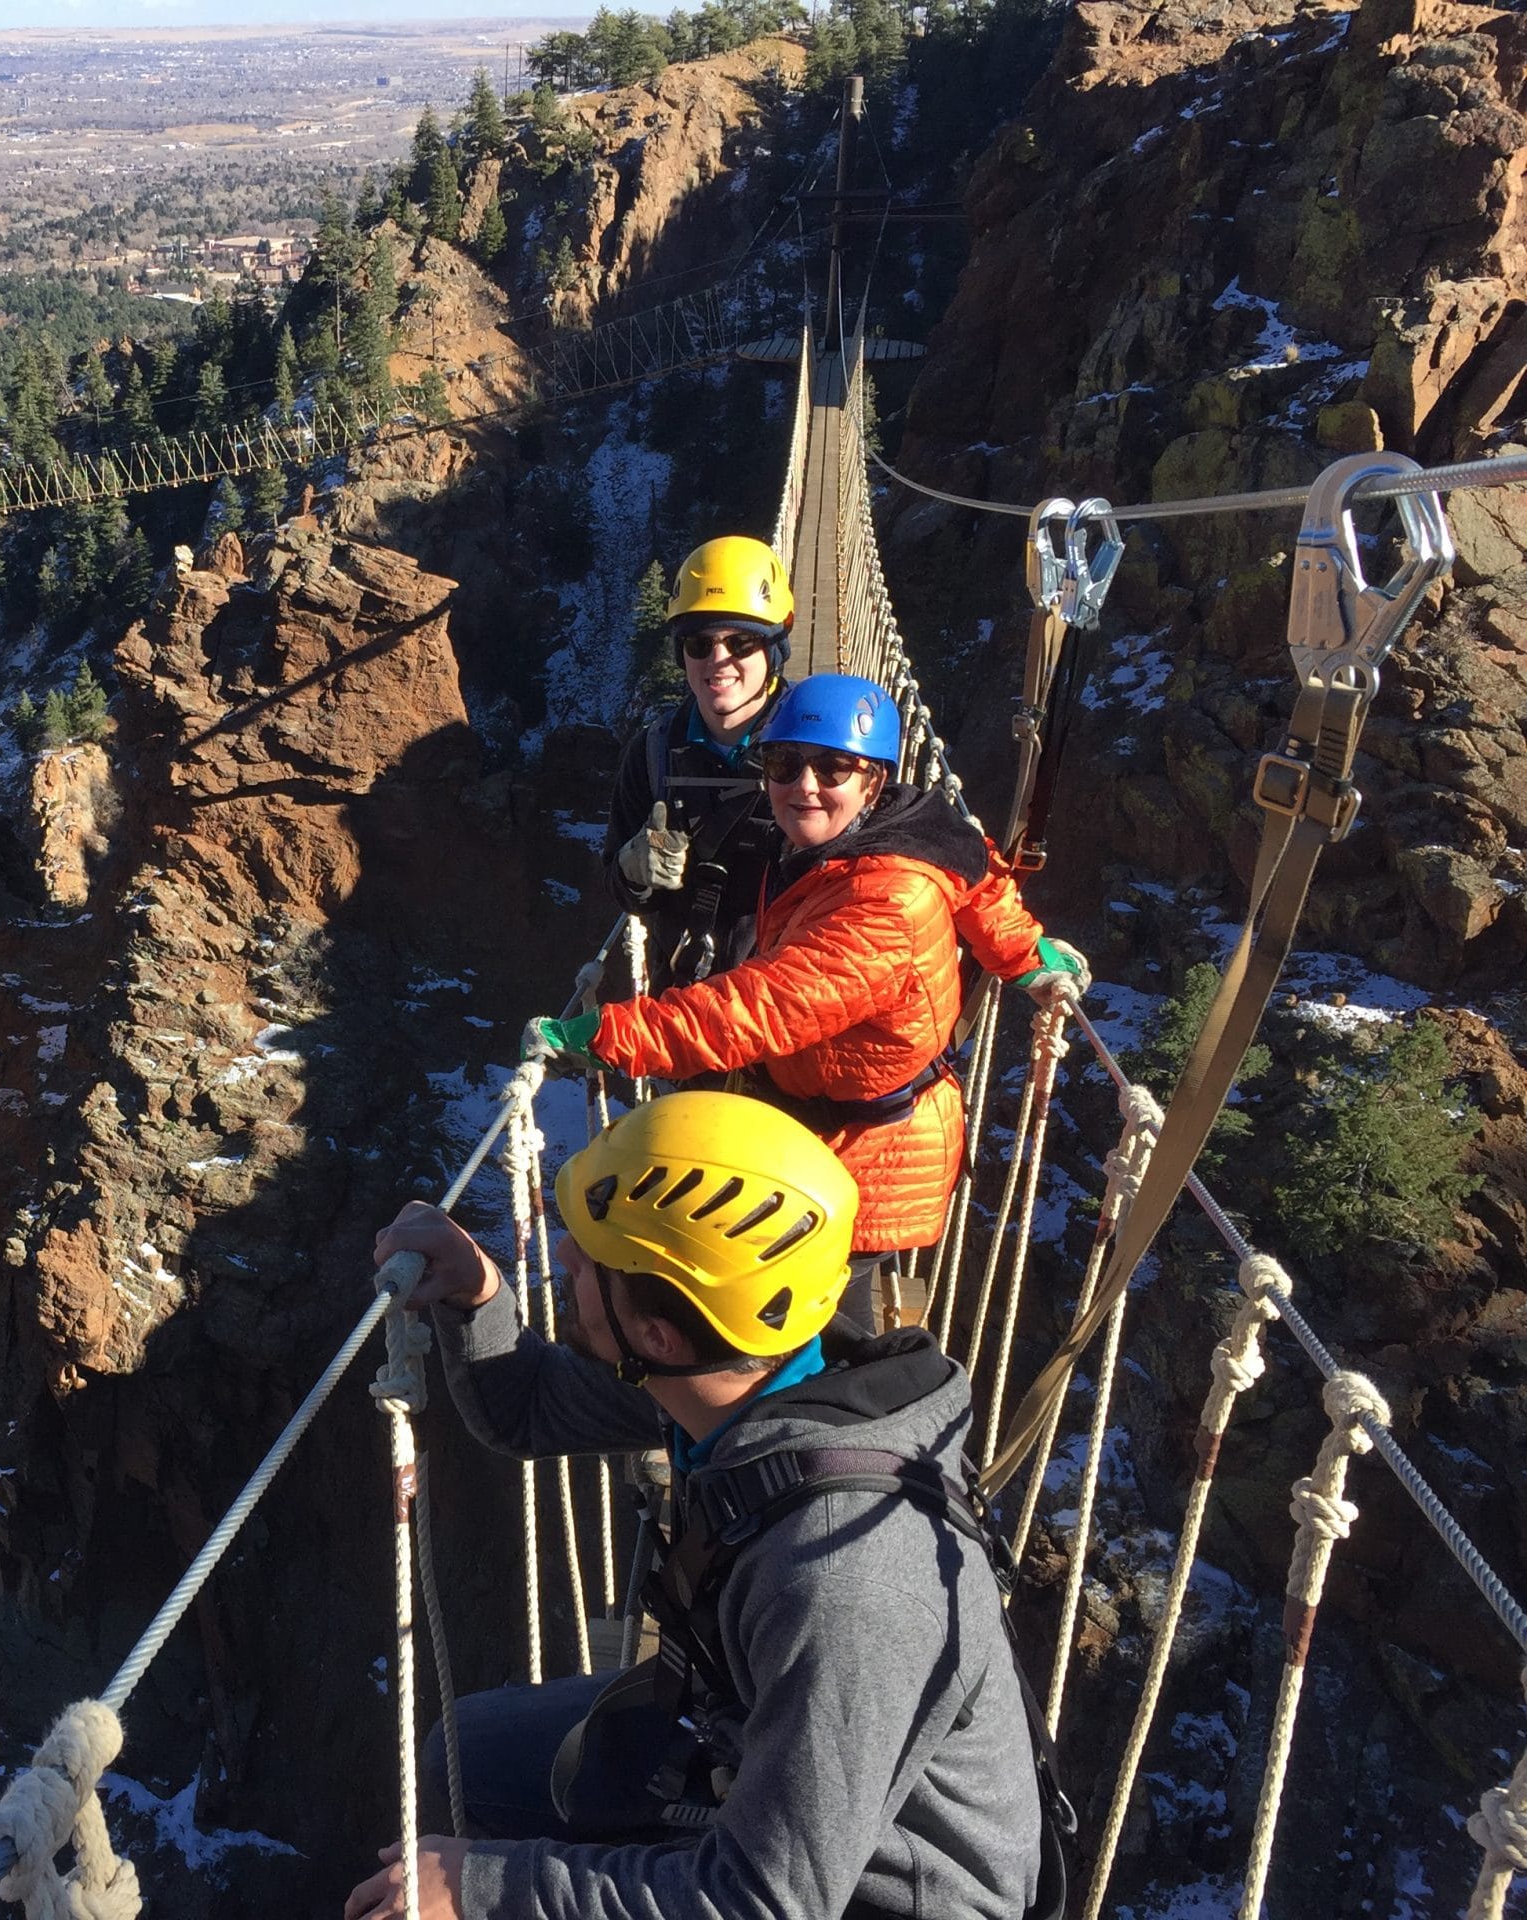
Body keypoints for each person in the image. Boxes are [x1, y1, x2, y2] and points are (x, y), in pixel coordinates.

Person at [343, 1091, 1066, 1920]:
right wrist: (476, 1295)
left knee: (469, 1855)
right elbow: (529, 1409)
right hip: (752, 1747)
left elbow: (763, 1902)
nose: (568, 1254)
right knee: (466, 1760)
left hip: (879, 1890)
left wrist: (481, 1888)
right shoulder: (748, 1375)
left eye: (592, 1256)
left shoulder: (846, 1583)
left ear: (658, 1336)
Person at [538, 673, 1088, 1326]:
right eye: (784, 763)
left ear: (874, 782)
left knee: (818, 1336)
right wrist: (1024, 954)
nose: (805, 785)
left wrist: (601, 1037)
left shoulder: (884, 902)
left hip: (865, 1162)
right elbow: (976, 877)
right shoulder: (910, 829)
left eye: (833, 768)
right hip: (839, 1129)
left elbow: (763, 1008)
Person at [604, 536, 791, 989]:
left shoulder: (817, 754)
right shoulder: (653, 753)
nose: (719, 659)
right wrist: (634, 871)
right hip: (686, 1009)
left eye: (741, 641)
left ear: (773, 648)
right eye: (698, 643)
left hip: (781, 1005)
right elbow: (621, 886)